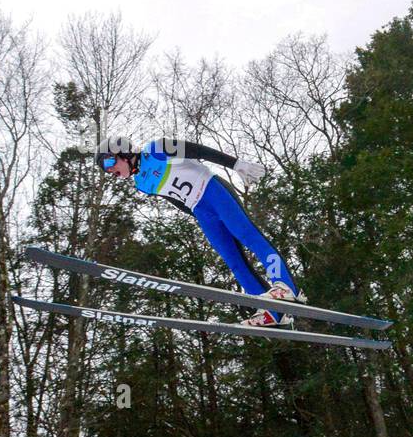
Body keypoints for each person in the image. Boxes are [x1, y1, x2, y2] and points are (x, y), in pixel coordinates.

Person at [95, 135, 302, 327]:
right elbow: (175, 199)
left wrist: (236, 164)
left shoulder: (156, 149)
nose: (110, 171)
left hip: (213, 191)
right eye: (106, 169)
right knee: (234, 262)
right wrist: (199, 215)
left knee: (248, 236)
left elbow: (198, 151)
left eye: (109, 162)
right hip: (201, 210)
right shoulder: (141, 183)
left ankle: (286, 287)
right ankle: (274, 313)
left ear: (123, 151)